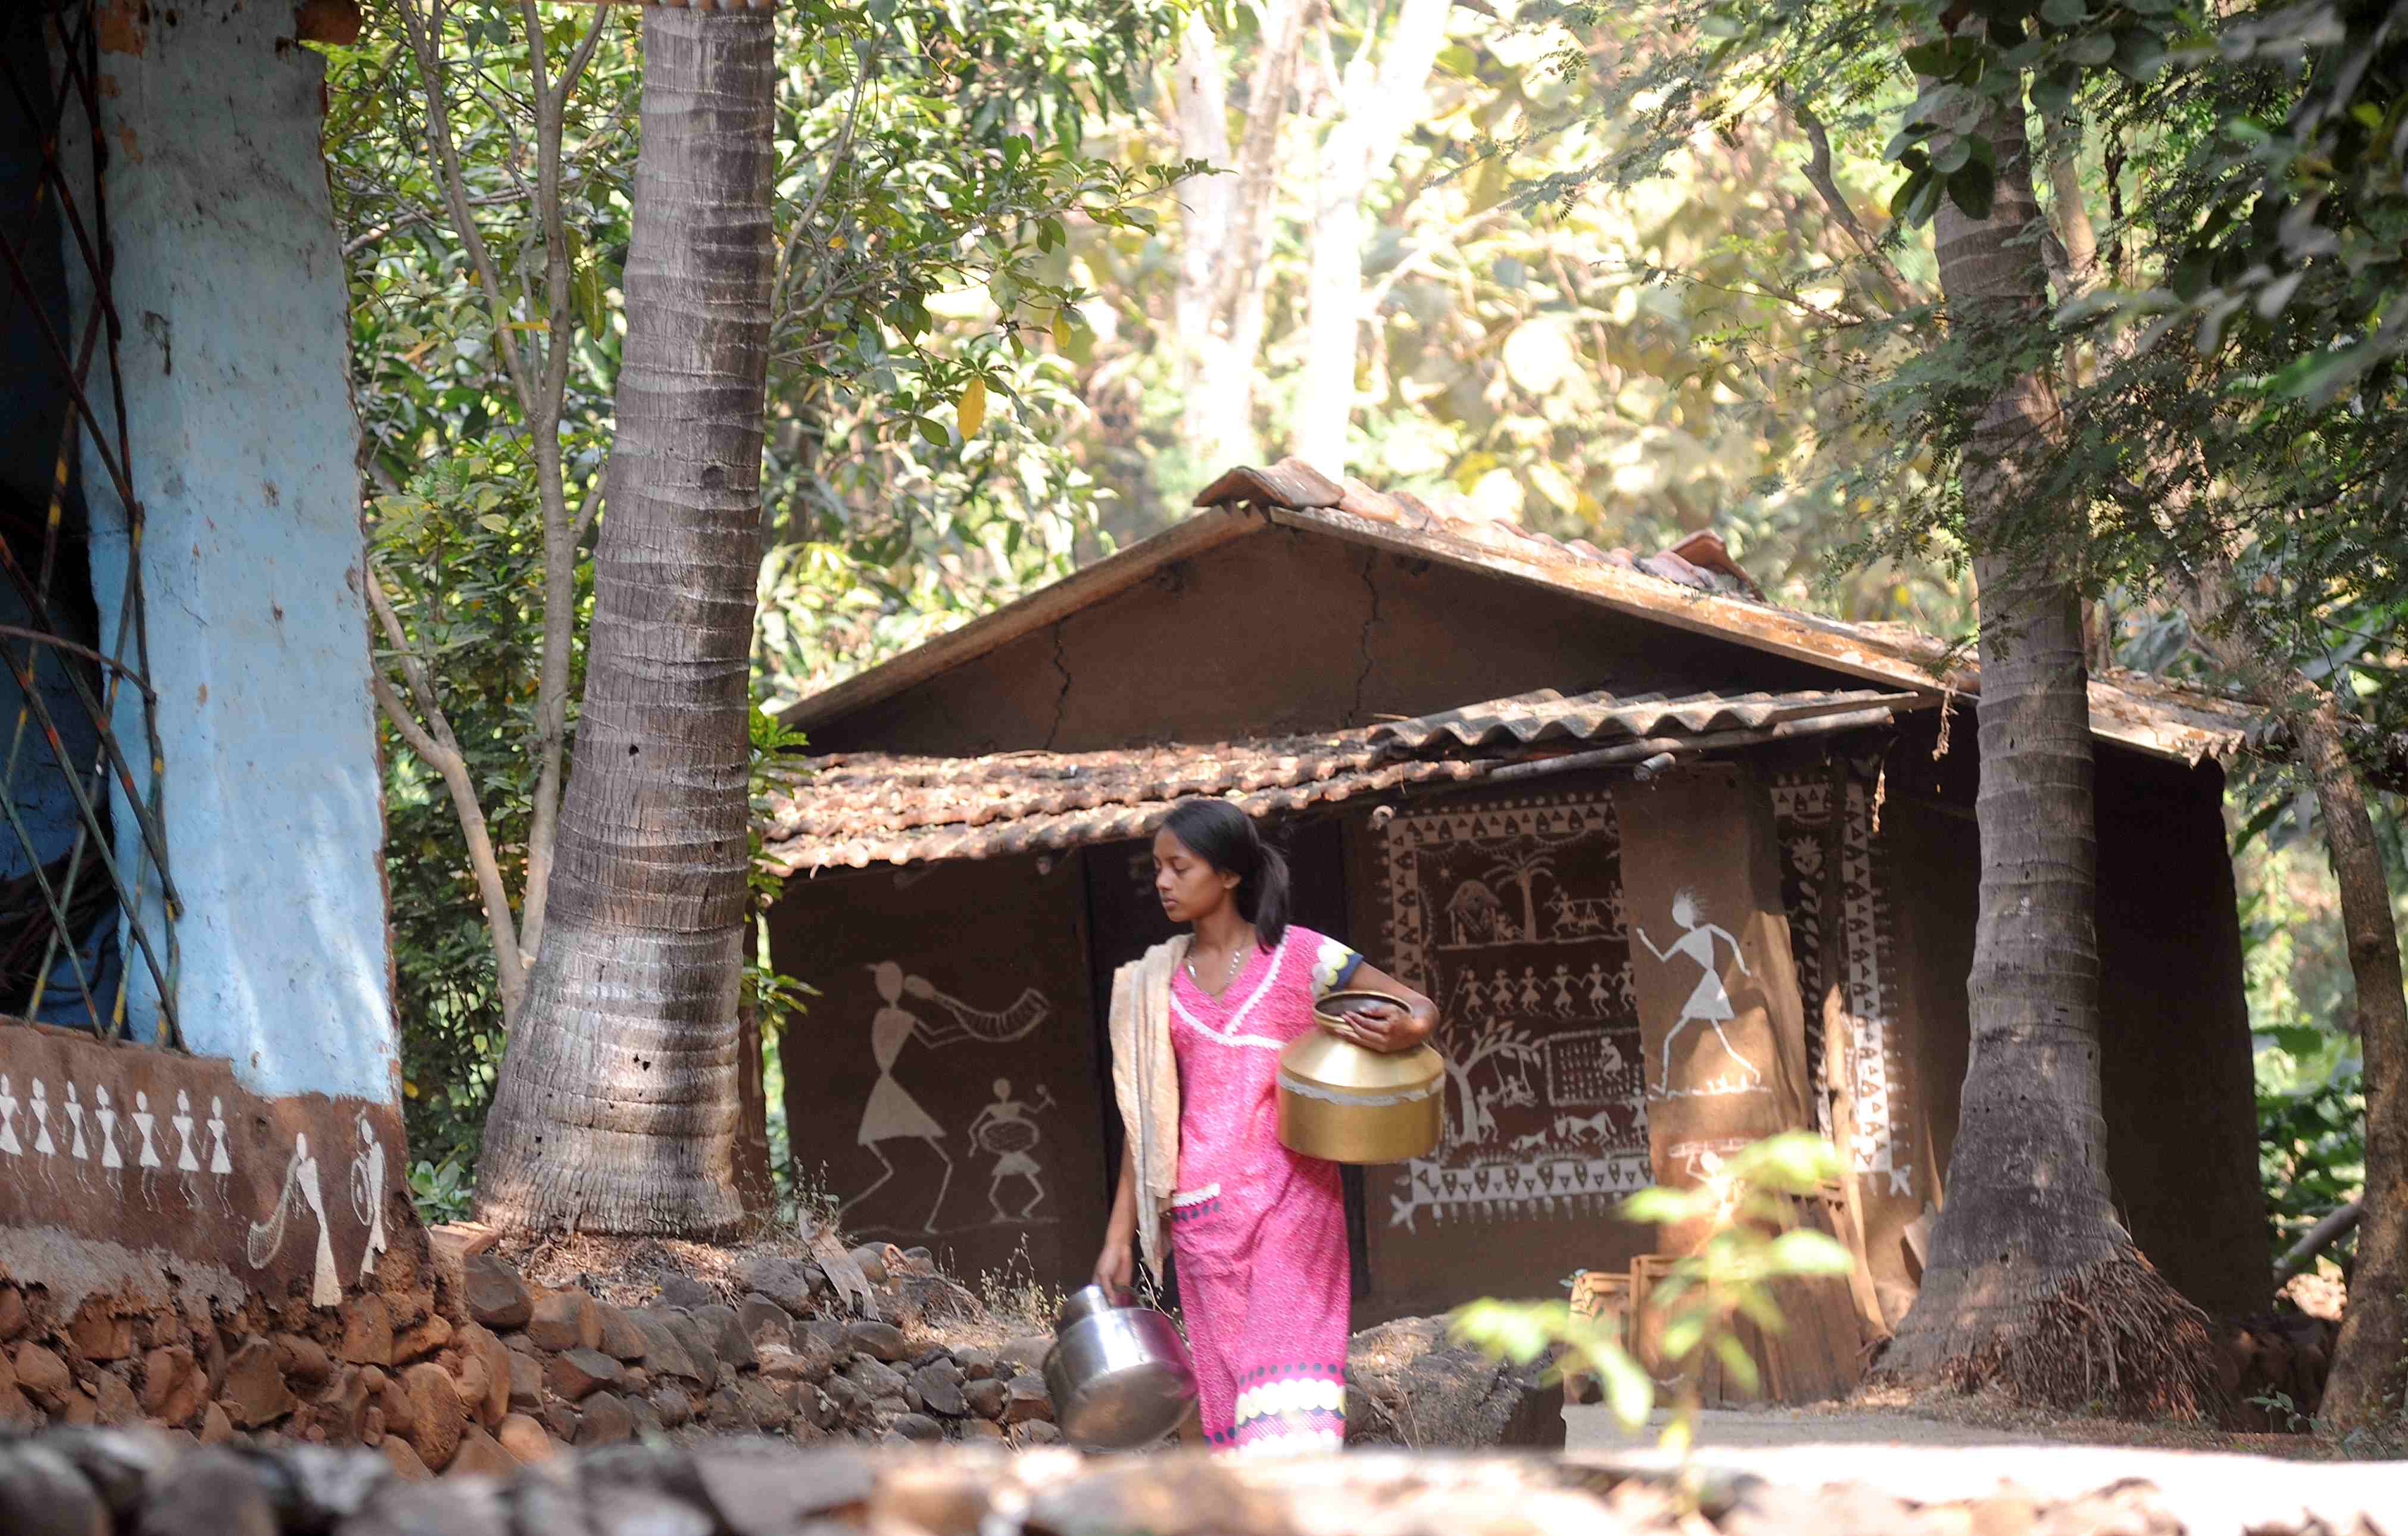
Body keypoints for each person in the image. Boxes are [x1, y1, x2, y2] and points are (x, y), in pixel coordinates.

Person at [1094, 798, 1436, 1455]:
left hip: (1295, 1208)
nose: (1162, 881)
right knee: (1232, 1421)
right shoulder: (1155, 986)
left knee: (1285, 1414)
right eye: (1157, 868)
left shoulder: (1301, 957)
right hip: (1199, 1226)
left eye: (1178, 866)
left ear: (1228, 875)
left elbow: (1417, 1005)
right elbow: (1145, 1121)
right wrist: (1118, 1238)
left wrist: (1407, 1028)